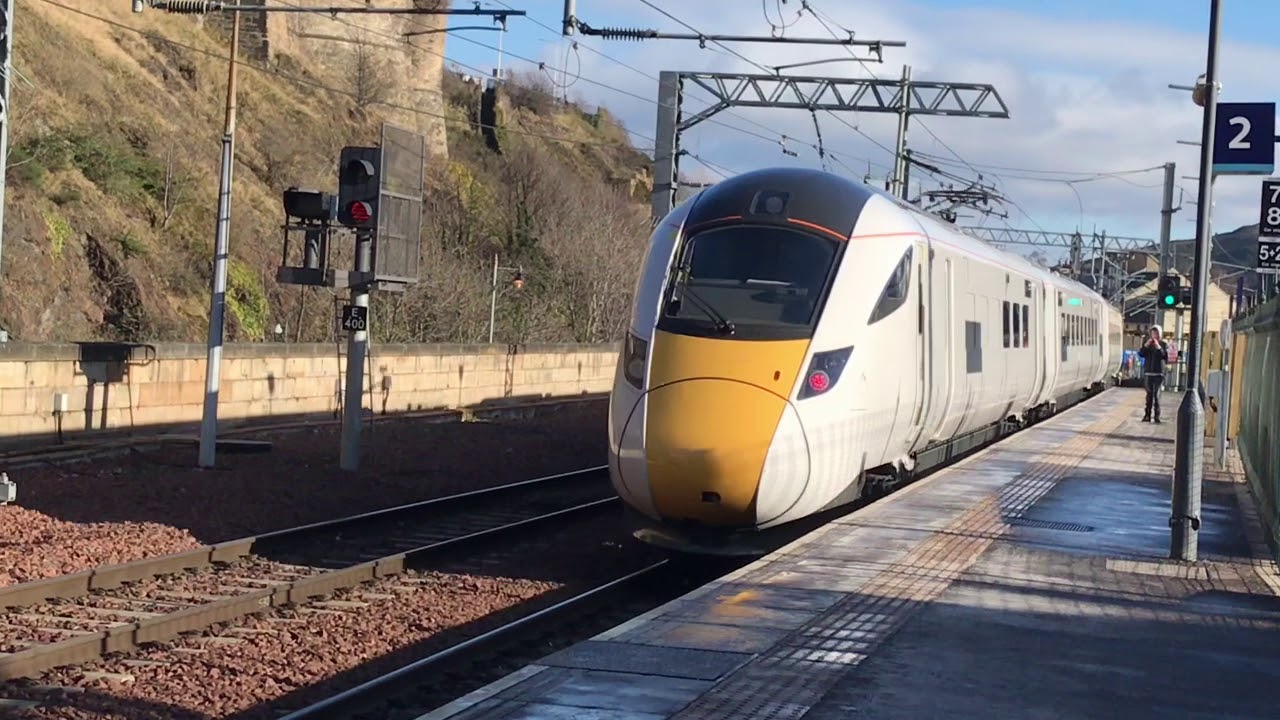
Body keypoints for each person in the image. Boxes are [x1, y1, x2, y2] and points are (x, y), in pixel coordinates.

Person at [1136, 325, 1169, 423]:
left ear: (1159, 334)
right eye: (1152, 333)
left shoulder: (1163, 344)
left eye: (1156, 333)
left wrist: (1158, 347)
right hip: (1148, 373)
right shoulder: (1148, 344)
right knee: (1149, 395)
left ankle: (1157, 416)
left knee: (1157, 395)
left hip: (1159, 373)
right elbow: (1141, 354)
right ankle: (1147, 415)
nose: (1154, 335)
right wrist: (1146, 345)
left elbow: (1164, 356)